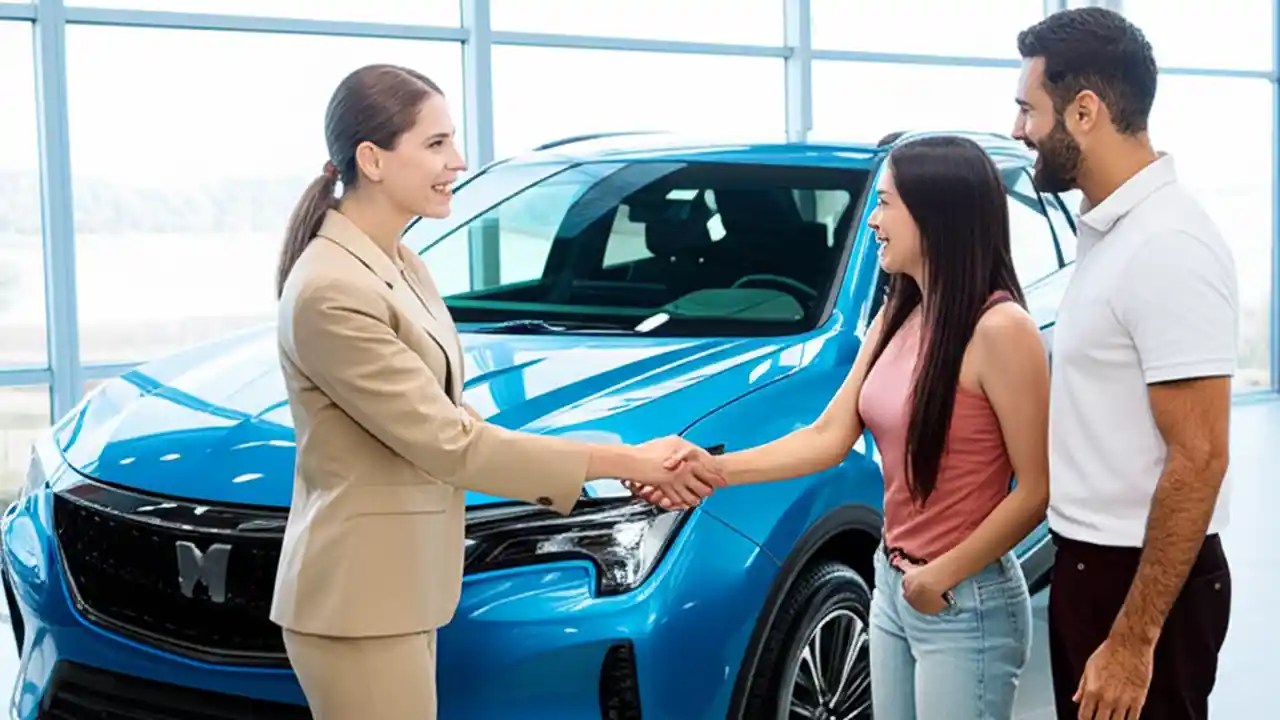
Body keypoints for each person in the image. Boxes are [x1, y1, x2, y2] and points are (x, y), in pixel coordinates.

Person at [269, 64, 723, 720]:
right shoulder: (332, 288)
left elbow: (456, 415)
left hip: (397, 589)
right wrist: (629, 463)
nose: (457, 161)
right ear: (371, 159)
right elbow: (451, 444)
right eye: (435, 144)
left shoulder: (400, 261)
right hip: (357, 600)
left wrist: (613, 451)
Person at [637, 135, 1051, 719]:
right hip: (895, 584)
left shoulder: (1001, 330)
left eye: (885, 205)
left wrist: (940, 577)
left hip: (964, 598)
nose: (874, 221)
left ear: (935, 214)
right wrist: (711, 470)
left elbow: (1036, 489)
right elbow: (826, 438)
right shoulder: (899, 313)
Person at [1012, 8, 1237, 720]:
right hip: (1092, 566)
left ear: (1085, 112)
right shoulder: (1112, 231)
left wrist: (1135, 639)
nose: (1019, 129)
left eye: (1028, 109)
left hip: (1137, 583)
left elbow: (1199, 457)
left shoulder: (1167, 246)